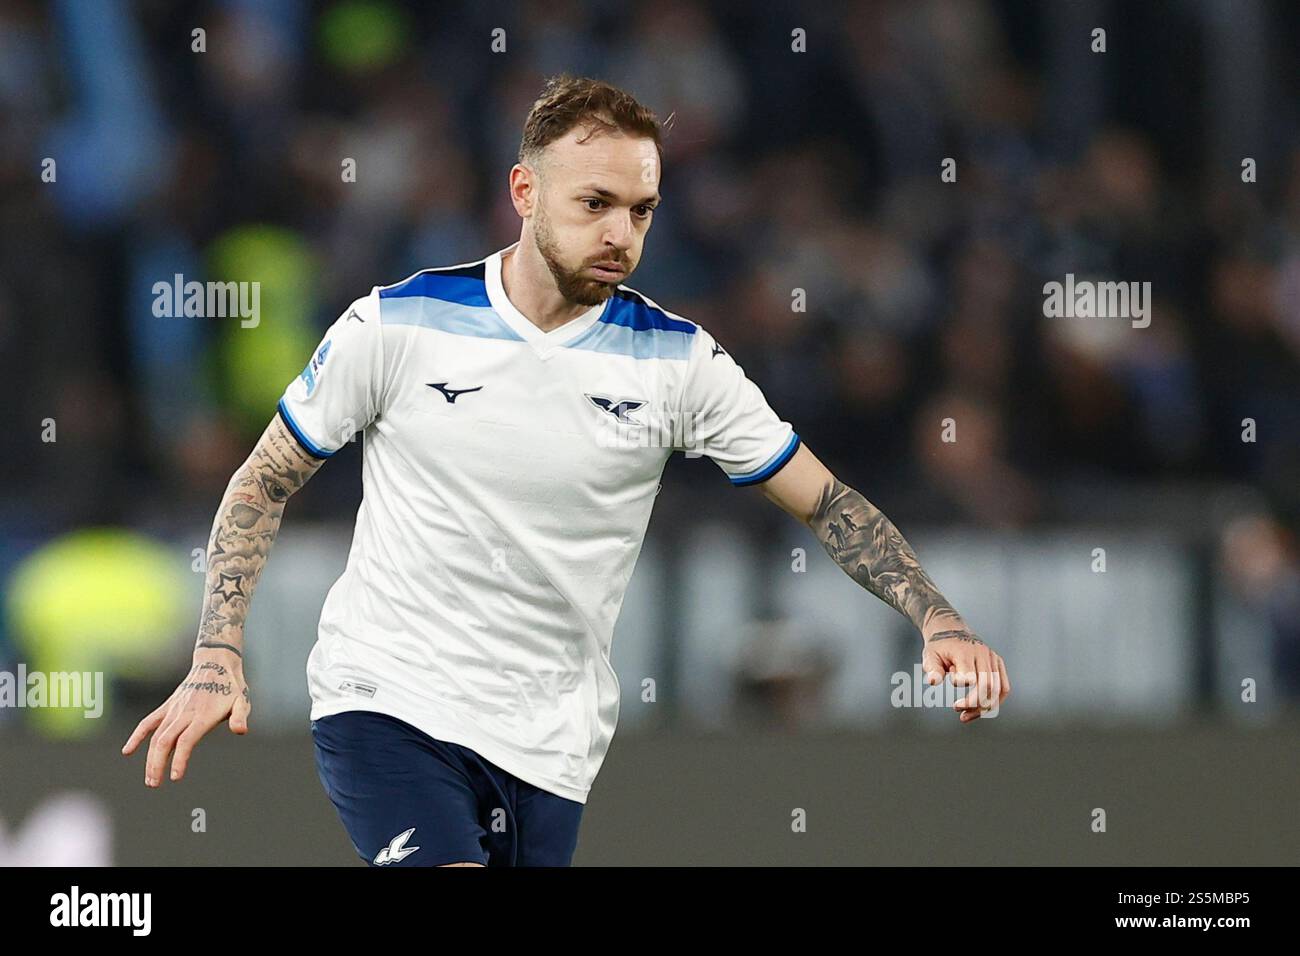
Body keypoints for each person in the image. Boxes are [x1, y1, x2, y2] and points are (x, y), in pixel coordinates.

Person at [122, 74, 1010, 867]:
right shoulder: (398, 325)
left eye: (642, 210)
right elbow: (263, 480)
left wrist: (938, 619)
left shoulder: (678, 363)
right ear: (524, 192)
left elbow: (826, 502)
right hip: (387, 701)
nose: (621, 233)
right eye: (595, 203)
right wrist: (215, 654)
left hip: (552, 739)